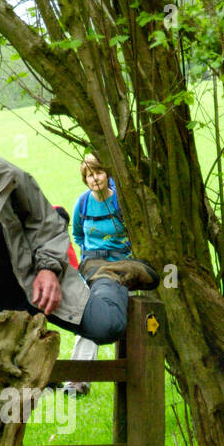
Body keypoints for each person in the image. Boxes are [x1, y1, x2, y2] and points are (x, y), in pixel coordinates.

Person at [0, 101, 157, 346]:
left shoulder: (2, 175)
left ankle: (108, 274)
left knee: (107, 325)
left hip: (34, 284)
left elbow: (46, 222)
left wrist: (48, 269)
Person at [65, 153, 159, 396]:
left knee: (120, 311)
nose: (94, 179)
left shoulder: (121, 201)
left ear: (107, 174)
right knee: (92, 309)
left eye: (98, 173)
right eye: (89, 175)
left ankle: (140, 377)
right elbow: (77, 235)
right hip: (93, 264)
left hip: (123, 264)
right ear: (84, 180)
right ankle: (77, 380)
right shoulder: (83, 204)